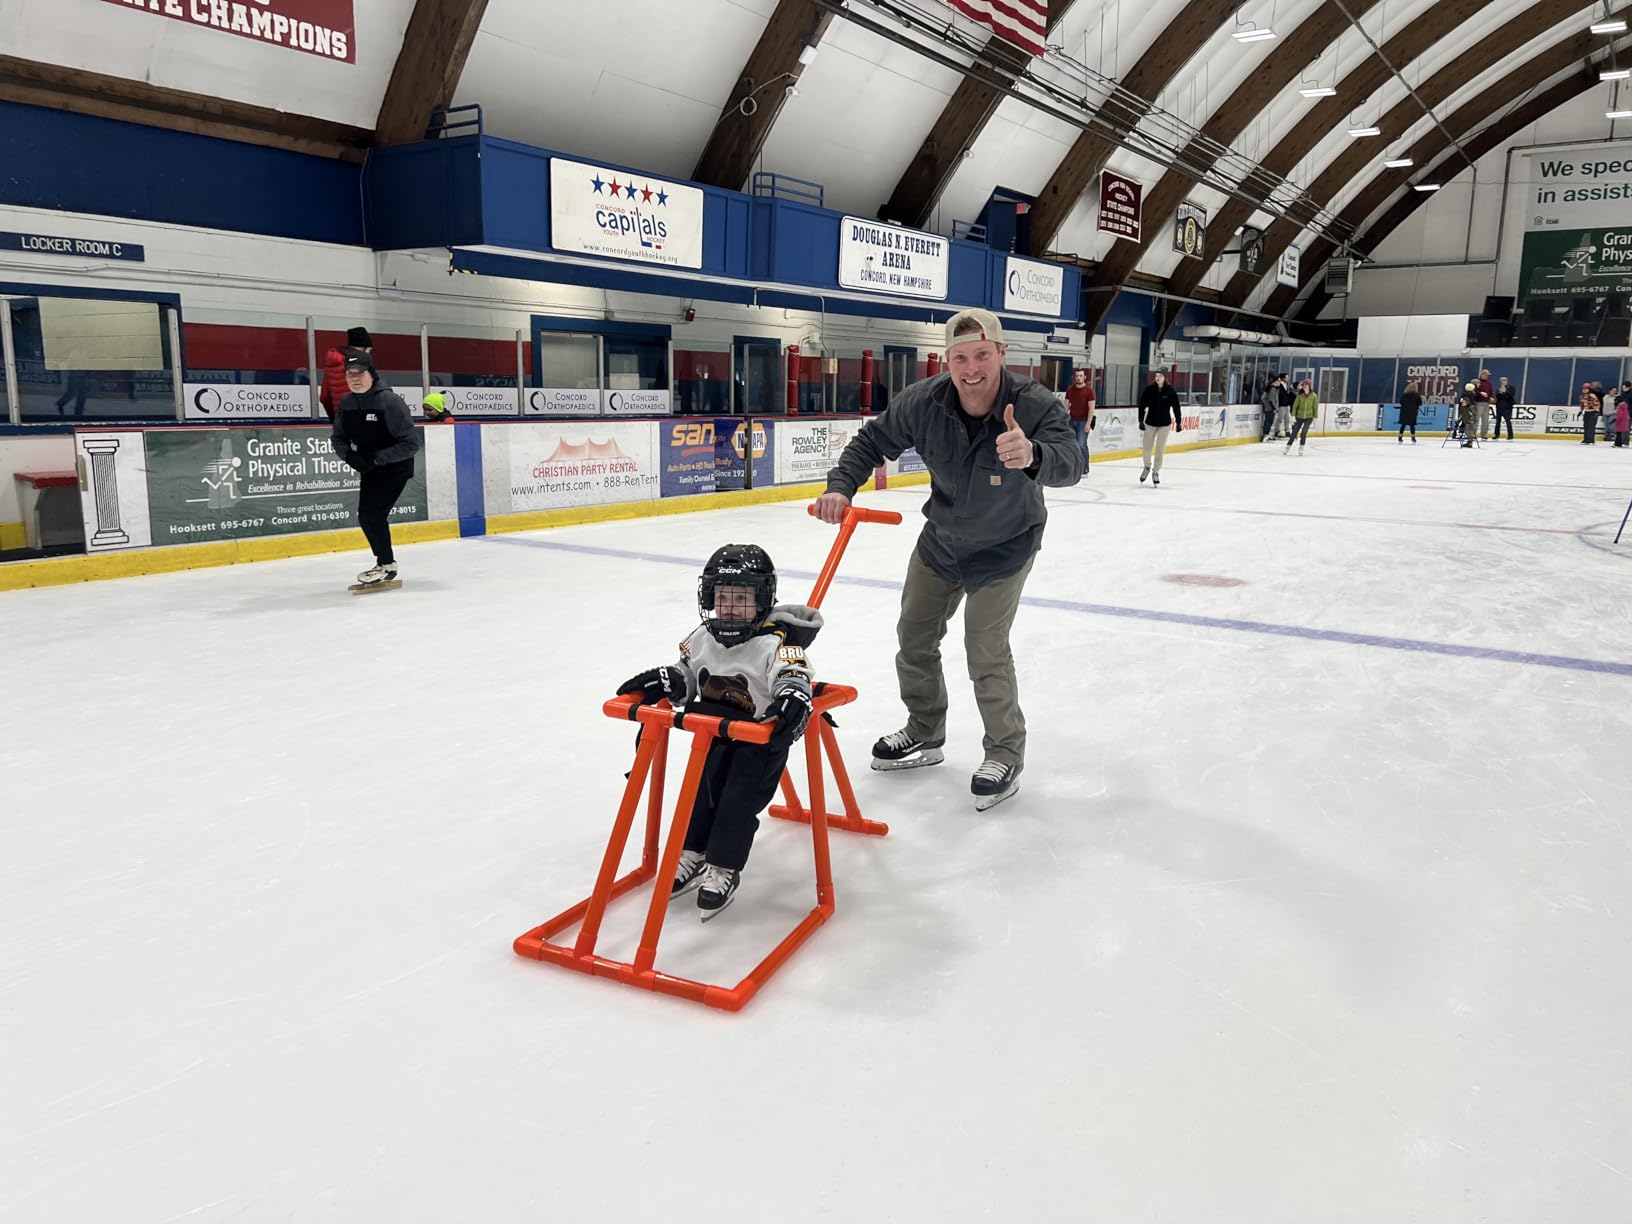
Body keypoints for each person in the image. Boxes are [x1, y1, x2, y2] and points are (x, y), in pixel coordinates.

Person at [810, 307, 1081, 811]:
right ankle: (925, 729)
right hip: (942, 541)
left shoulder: (1033, 404)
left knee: (985, 647)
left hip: (1006, 546)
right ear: (947, 360)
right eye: (960, 358)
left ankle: (1004, 752)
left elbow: (1074, 462)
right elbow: (872, 440)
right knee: (914, 636)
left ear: (1001, 353)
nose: (971, 368)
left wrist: (1035, 455)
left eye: (982, 354)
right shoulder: (925, 401)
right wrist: (840, 487)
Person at [616, 544, 818, 919]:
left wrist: (793, 695)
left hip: (759, 741)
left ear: (761, 601)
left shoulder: (778, 642)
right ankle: (693, 851)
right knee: (699, 794)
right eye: (722, 596)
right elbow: (689, 673)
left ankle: (724, 866)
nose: (728, 607)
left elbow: (795, 675)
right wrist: (671, 679)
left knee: (737, 802)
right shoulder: (702, 637)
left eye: (741, 598)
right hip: (711, 735)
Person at [330, 351, 420, 587]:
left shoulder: (390, 402)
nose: (354, 378)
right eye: (349, 374)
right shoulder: (347, 403)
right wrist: (350, 456)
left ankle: (386, 564)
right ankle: (386, 564)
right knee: (366, 516)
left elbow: (410, 444)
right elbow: (338, 438)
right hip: (369, 469)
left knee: (373, 514)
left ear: (372, 373)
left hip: (395, 468)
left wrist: (377, 458)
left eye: (359, 373)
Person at [1136, 369, 1183, 485]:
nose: (1157, 378)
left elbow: (1176, 407)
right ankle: (1147, 467)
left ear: (1165, 377)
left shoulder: (1170, 391)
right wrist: (1141, 420)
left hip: (1164, 425)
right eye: (1156, 375)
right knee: (1146, 448)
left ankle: (1156, 472)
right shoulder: (1149, 390)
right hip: (1150, 423)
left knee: (1159, 450)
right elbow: (1142, 405)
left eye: (1160, 376)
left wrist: (1178, 422)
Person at [320, 326, 373, 421]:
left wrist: (335, 419)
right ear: (363, 348)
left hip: (341, 421)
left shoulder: (332, 364)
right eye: (369, 350)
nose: (369, 354)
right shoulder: (361, 364)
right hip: (361, 420)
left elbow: (324, 397)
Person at [1063, 367, 1095, 472]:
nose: (1078, 378)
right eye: (1077, 376)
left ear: (1084, 377)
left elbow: (1091, 408)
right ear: (1074, 377)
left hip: (1083, 421)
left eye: (1081, 376)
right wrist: (1063, 419)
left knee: (1081, 444)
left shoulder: (1089, 391)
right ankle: (1074, 465)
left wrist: (1088, 423)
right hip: (1072, 420)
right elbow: (1066, 405)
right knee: (1072, 444)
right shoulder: (1070, 389)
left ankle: (1085, 467)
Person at [1286, 379, 1318, 454]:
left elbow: (1315, 407)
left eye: (1306, 385)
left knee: (1303, 432)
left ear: (1309, 386)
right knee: (1294, 433)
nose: (1304, 387)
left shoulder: (1314, 396)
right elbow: (1295, 406)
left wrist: (1315, 417)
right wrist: (1293, 415)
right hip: (1299, 416)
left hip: (1309, 417)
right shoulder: (1300, 396)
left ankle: (1301, 447)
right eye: (1303, 385)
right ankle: (1288, 446)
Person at [1260, 374, 1284, 442]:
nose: (1280, 382)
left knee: (1269, 421)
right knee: (1268, 421)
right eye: (1279, 381)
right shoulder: (1273, 388)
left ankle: (1266, 434)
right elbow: (1271, 400)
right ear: (1275, 381)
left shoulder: (1273, 388)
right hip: (1270, 408)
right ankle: (1265, 435)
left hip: (1270, 408)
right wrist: (1274, 408)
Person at [1398, 379, 1422, 443]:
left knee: (1403, 425)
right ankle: (1413, 438)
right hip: (1412, 412)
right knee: (1412, 425)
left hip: (1404, 412)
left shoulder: (1404, 395)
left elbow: (1401, 402)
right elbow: (1420, 403)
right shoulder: (1416, 396)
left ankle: (1400, 437)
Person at [1614, 382, 1631, 448]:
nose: (1623, 388)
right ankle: (1620, 442)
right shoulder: (1623, 394)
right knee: (1622, 428)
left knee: (1626, 429)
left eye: (1624, 387)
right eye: (1623, 387)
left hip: (1629, 414)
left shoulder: (1630, 394)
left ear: (1628, 387)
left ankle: (1625, 442)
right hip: (1623, 414)